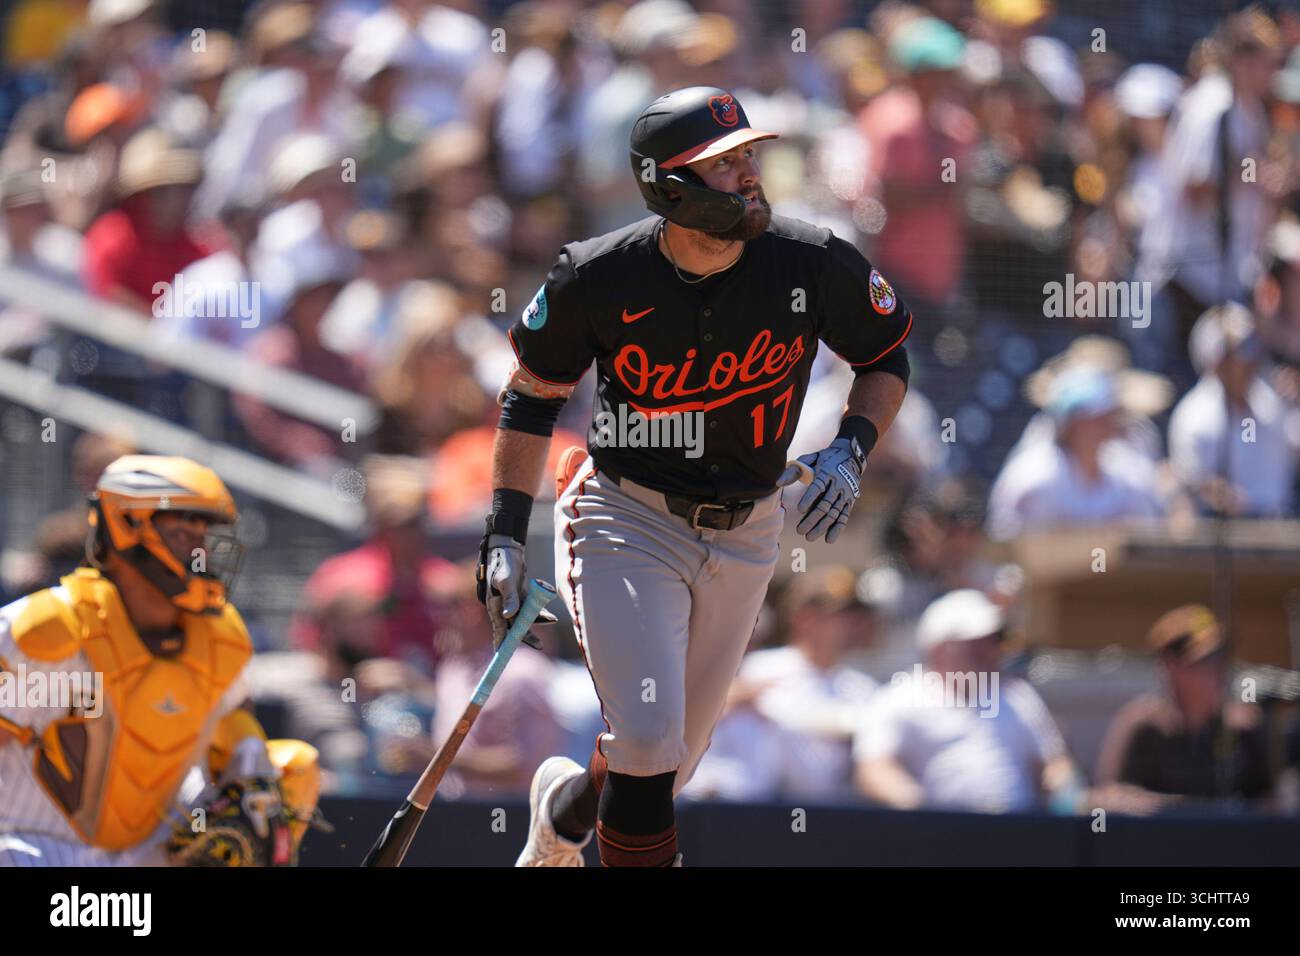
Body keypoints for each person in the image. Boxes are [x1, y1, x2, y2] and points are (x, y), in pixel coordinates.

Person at [477, 86, 914, 866]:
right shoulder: (599, 274)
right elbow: (531, 396)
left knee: (662, 764)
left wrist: (852, 445)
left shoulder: (810, 258)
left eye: (749, 154)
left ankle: (566, 813)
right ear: (669, 186)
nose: (749, 173)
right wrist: (505, 533)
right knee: (647, 738)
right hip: (627, 516)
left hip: (749, 528)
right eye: (725, 162)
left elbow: (885, 357)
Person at [0, 455, 322, 865]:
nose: (202, 550)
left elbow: (236, 737)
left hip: (147, 855)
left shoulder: (221, 637)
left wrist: (255, 796)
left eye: (204, 532)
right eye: (183, 532)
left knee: (292, 770)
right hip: (37, 850)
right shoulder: (46, 629)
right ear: (126, 527)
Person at [853, 589, 1080, 814]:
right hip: (940, 839)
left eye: (992, 640)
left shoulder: (1018, 696)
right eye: (973, 643)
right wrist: (920, 812)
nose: (988, 650)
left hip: (1020, 834)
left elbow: (1054, 763)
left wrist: (1068, 794)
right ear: (938, 648)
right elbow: (874, 768)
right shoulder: (900, 698)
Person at [1092, 604, 1277, 814]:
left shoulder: (1244, 729)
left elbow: (1269, 806)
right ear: (1170, 667)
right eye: (1204, 661)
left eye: (1220, 659)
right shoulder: (1142, 728)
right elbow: (1107, 799)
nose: (1217, 671)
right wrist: (1176, 809)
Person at [1168, 303, 1299, 517]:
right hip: (1225, 535)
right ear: (1217, 361)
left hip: (1284, 524)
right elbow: (1190, 489)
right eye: (1240, 352)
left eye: (1253, 347)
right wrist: (1218, 494)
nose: (1250, 360)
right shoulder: (1193, 417)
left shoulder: (1271, 401)